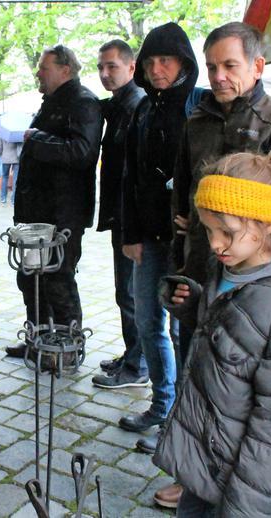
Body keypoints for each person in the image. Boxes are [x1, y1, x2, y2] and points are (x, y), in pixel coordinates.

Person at [147, 21, 271, 508]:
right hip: (199, 266)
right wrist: (182, 243)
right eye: (212, 67)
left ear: (258, 65)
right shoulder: (198, 120)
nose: (219, 76)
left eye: (230, 65)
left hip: (249, 278)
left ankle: (224, 481)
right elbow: (183, 190)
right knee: (195, 370)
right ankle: (191, 474)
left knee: (234, 385)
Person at [153, 149, 271, 517]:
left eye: (228, 232)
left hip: (236, 485)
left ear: (265, 224)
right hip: (205, 466)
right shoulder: (228, 270)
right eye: (209, 230)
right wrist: (194, 304)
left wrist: (242, 510)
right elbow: (235, 341)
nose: (215, 243)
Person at [117, 22, 203, 432]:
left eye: (165, 60)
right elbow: (130, 176)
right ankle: (161, 404)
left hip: (186, 241)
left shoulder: (200, 107)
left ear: (184, 62)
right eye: (150, 62)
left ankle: (180, 422)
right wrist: (129, 234)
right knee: (148, 323)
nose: (156, 69)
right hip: (148, 238)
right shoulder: (143, 110)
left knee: (183, 330)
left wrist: (197, 220)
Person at [6, 45, 103, 357]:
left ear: (65, 69)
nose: (38, 73)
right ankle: (38, 342)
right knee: (30, 279)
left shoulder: (83, 102)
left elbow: (82, 153)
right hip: (38, 213)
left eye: (43, 68)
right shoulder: (52, 102)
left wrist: (36, 138)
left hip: (62, 214)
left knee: (58, 281)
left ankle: (67, 350)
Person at [90, 39, 149, 389]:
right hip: (120, 214)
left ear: (131, 67)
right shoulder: (118, 105)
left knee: (131, 293)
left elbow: (134, 173)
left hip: (131, 219)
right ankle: (132, 355)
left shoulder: (136, 105)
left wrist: (131, 226)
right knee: (124, 292)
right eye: (100, 67)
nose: (104, 73)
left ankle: (138, 366)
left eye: (111, 66)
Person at [0, 137, 21, 204]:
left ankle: (3, 198)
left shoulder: (3, 135)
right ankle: (14, 199)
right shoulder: (17, 135)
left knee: (5, 177)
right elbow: (20, 147)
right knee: (15, 179)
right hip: (16, 158)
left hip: (6, 158)